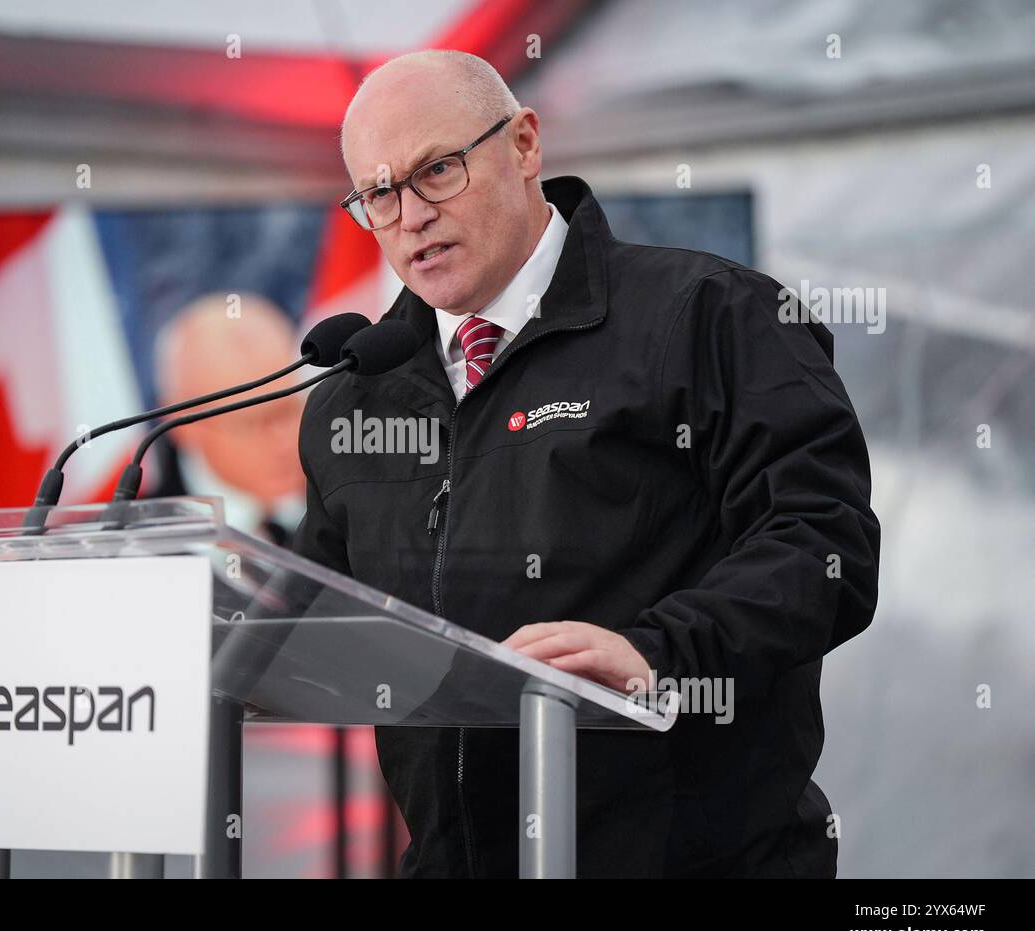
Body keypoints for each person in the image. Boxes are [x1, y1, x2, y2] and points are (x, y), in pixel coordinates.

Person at [292, 50, 881, 877]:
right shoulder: (355, 397)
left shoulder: (705, 315)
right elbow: (321, 624)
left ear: (525, 144)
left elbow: (827, 545)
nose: (411, 215)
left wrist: (662, 654)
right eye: (379, 194)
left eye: (437, 171)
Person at [149, 291, 306, 544]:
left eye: (289, 411)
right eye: (254, 422)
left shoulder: (366, 504)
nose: (284, 441)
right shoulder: (132, 550)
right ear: (184, 425)